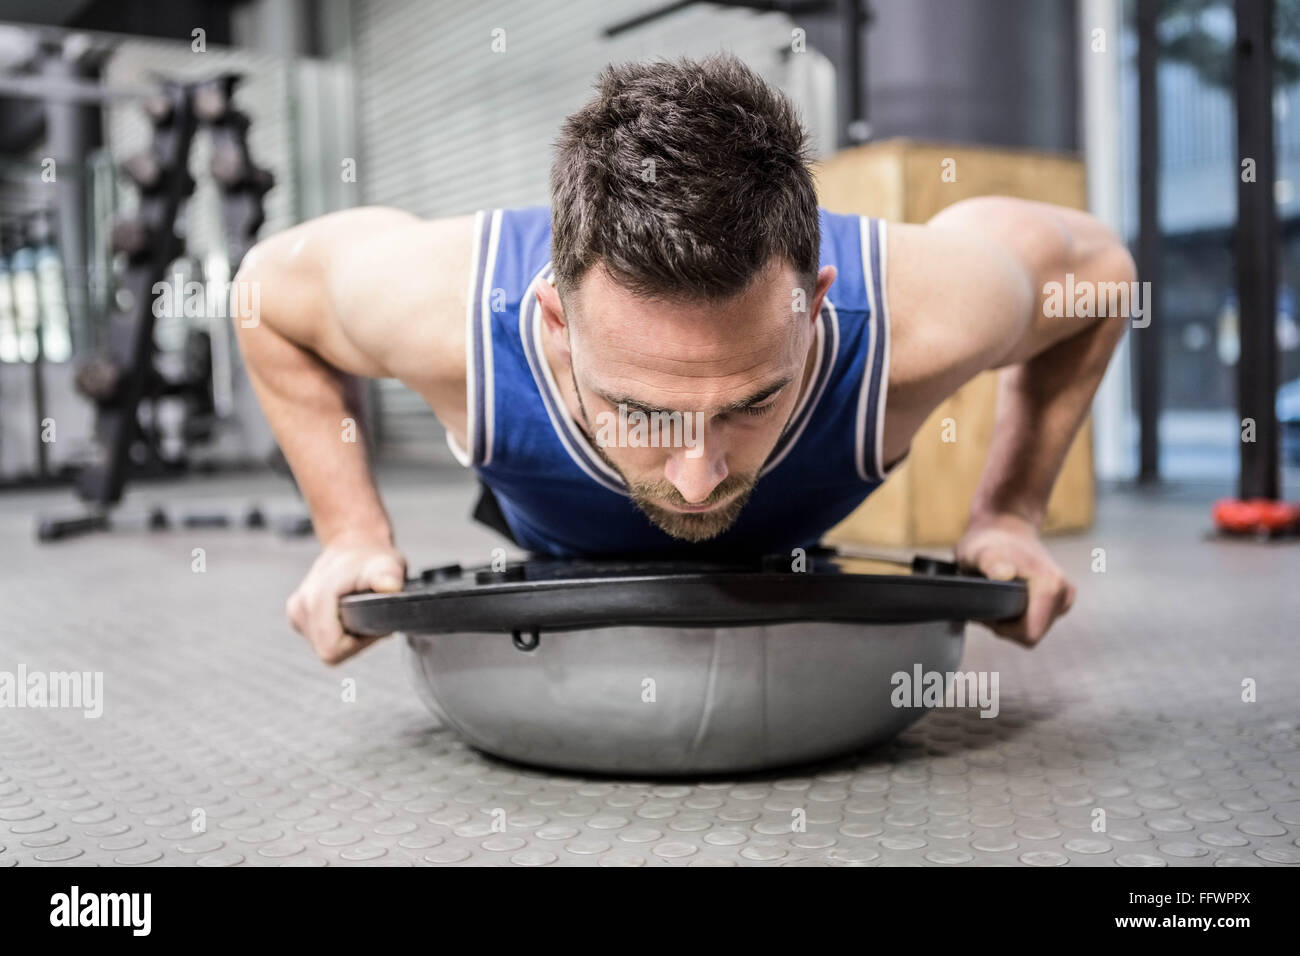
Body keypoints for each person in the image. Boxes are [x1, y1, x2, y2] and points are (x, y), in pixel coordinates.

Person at [234, 55, 1134, 665]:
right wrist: (350, 532)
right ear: (553, 324)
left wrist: (1009, 513)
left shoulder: (920, 312)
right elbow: (261, 293)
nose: (699, 478)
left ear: (815, 305)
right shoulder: (440, 308)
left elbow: (1100, 274)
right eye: (643, 411)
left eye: (751, 402)